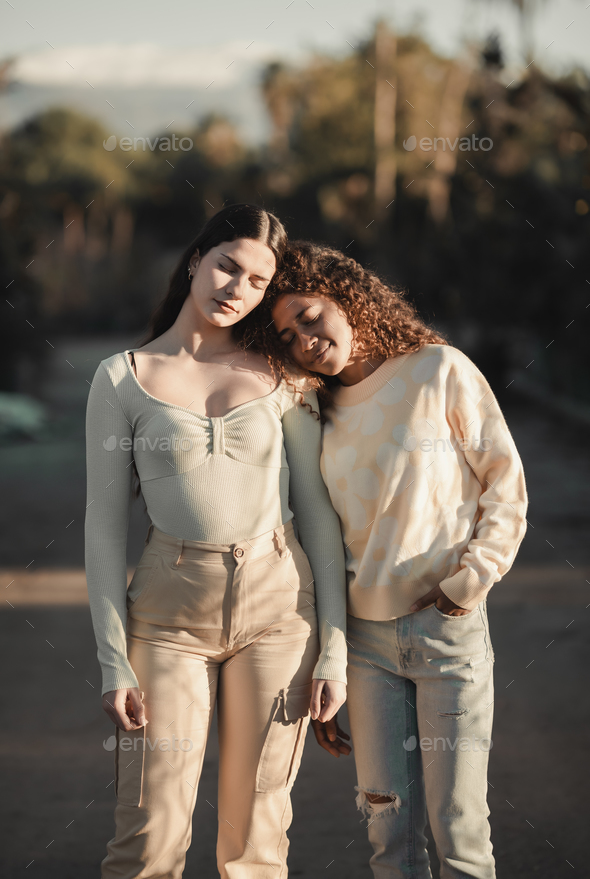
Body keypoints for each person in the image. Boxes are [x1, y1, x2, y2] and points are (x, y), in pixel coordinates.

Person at [84, 207, 348, 879]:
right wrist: (114, 662)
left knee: (257, 844)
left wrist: (334, 649)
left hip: (279, 616)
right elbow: (104, 528)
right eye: (228, 266)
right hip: (166, 620)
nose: (238, 288)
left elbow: (318, 514)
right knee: (148, 839)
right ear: (197, 258)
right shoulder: (121, 377)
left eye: (258, 281)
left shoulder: (283, 374)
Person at [251, 239, 529, 879]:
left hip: (447, 631)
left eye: (310, 317)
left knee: (459, 829)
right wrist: (326, 660)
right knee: (387, 827)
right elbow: (317, 536)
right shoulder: (312, 408)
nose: (305, 341)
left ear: (347, 297)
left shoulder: (438, 370)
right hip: (364, 646)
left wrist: (470, 581)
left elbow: (505, 484)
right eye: (288, 337)